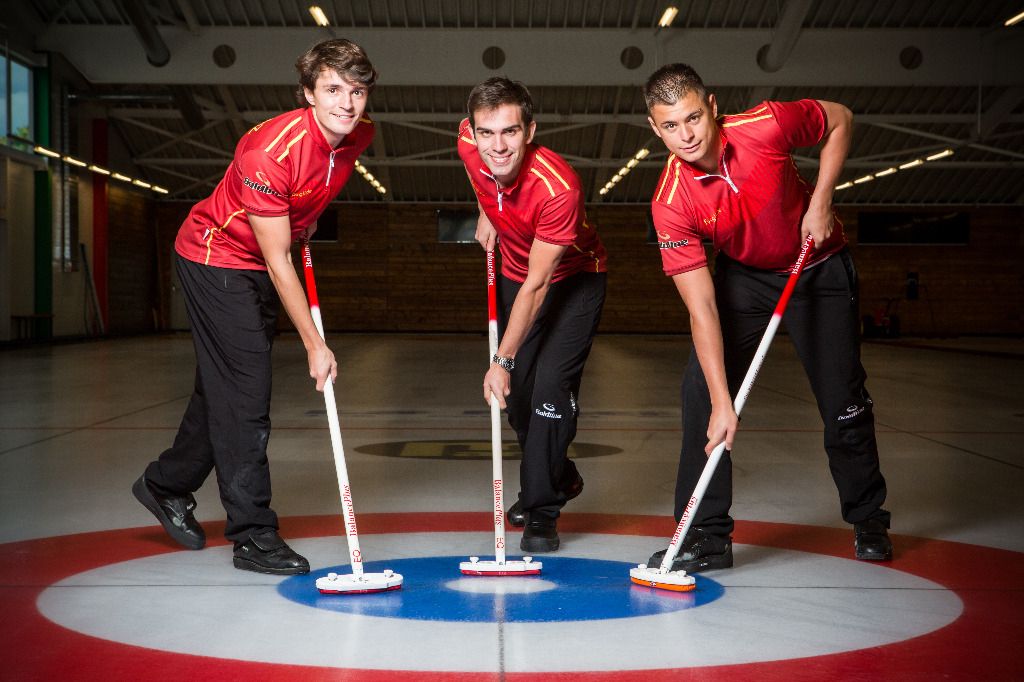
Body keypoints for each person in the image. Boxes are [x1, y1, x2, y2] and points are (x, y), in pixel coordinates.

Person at [132, 39, 377, 575]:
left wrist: (305, 216)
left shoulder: (358, 134)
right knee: (246, 394)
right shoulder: (269, 152)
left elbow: (309, 196)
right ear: (308, 93)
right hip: (216, 256)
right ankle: (252, 534)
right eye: (333, 89)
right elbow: (277, 259)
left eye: (357, 91)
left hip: (258, 257)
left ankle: (165, 484)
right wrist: (316, 345)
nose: (347, 103)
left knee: (223, 389)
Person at [642, 63, 892, 573]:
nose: (685, 135)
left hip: (816, 265)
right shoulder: (670, 201)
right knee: (701, 392)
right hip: (745, 278)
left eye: (693, 118)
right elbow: (702, 308)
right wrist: (722, 402)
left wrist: (820, 200)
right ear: (655, 128)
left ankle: (868, 517)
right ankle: (706, 535)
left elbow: (841, 119)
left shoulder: (766, 125)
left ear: (712, 107)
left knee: (842, 399)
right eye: (670, 125)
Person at [457, 77, 608, 553]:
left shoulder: (558, 188)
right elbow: (478, 170)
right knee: (519, 398)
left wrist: (500, 360)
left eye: (510, 132)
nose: (497, 146)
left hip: (572, 280)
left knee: (547, 391)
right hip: (513, 273)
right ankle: (559, 473)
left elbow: (539, 285)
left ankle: (541, 509)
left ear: (530, 131)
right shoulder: (469, 143)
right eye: (487, 133)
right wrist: (486, 208)